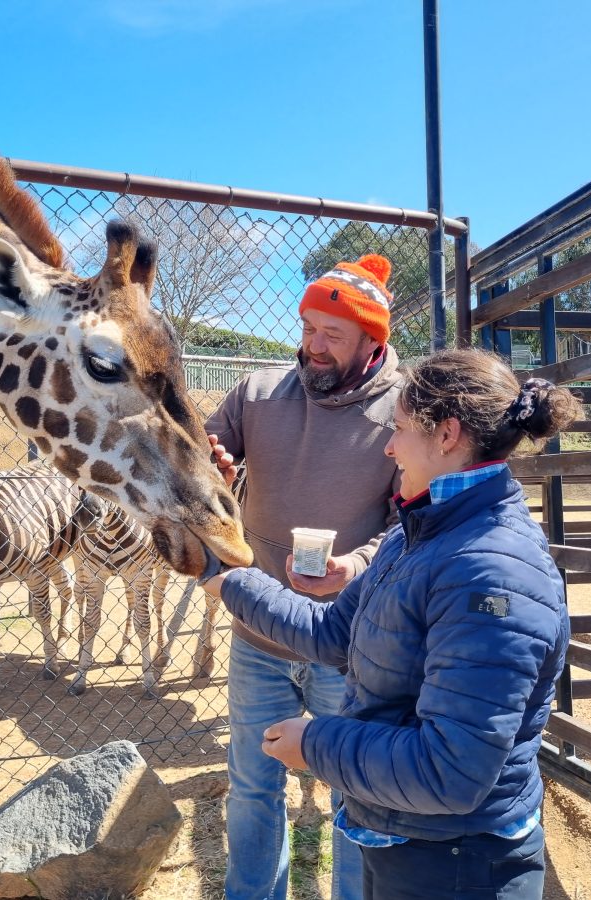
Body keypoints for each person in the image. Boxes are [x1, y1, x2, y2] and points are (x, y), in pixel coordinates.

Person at [203, 348, 579, 900]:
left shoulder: (491, 573)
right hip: (404, 835)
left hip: (458, 862)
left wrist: (317, 743)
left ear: (446, 434)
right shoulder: (420, 532)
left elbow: (450, 770)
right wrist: (227, 577)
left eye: (399, 429)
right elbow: (333, 634)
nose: (389, 446)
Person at [204, 254, 405, 900]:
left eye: (333, 335)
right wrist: (212, 460)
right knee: (254, 785)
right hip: (259, 636)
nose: (313, 347)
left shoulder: (405, 415)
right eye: (309, 328)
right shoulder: (259, 393)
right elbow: (203, 453)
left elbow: (411, 525)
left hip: (347, 646)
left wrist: (356, 565)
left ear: (373, 340)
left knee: (352, 792)